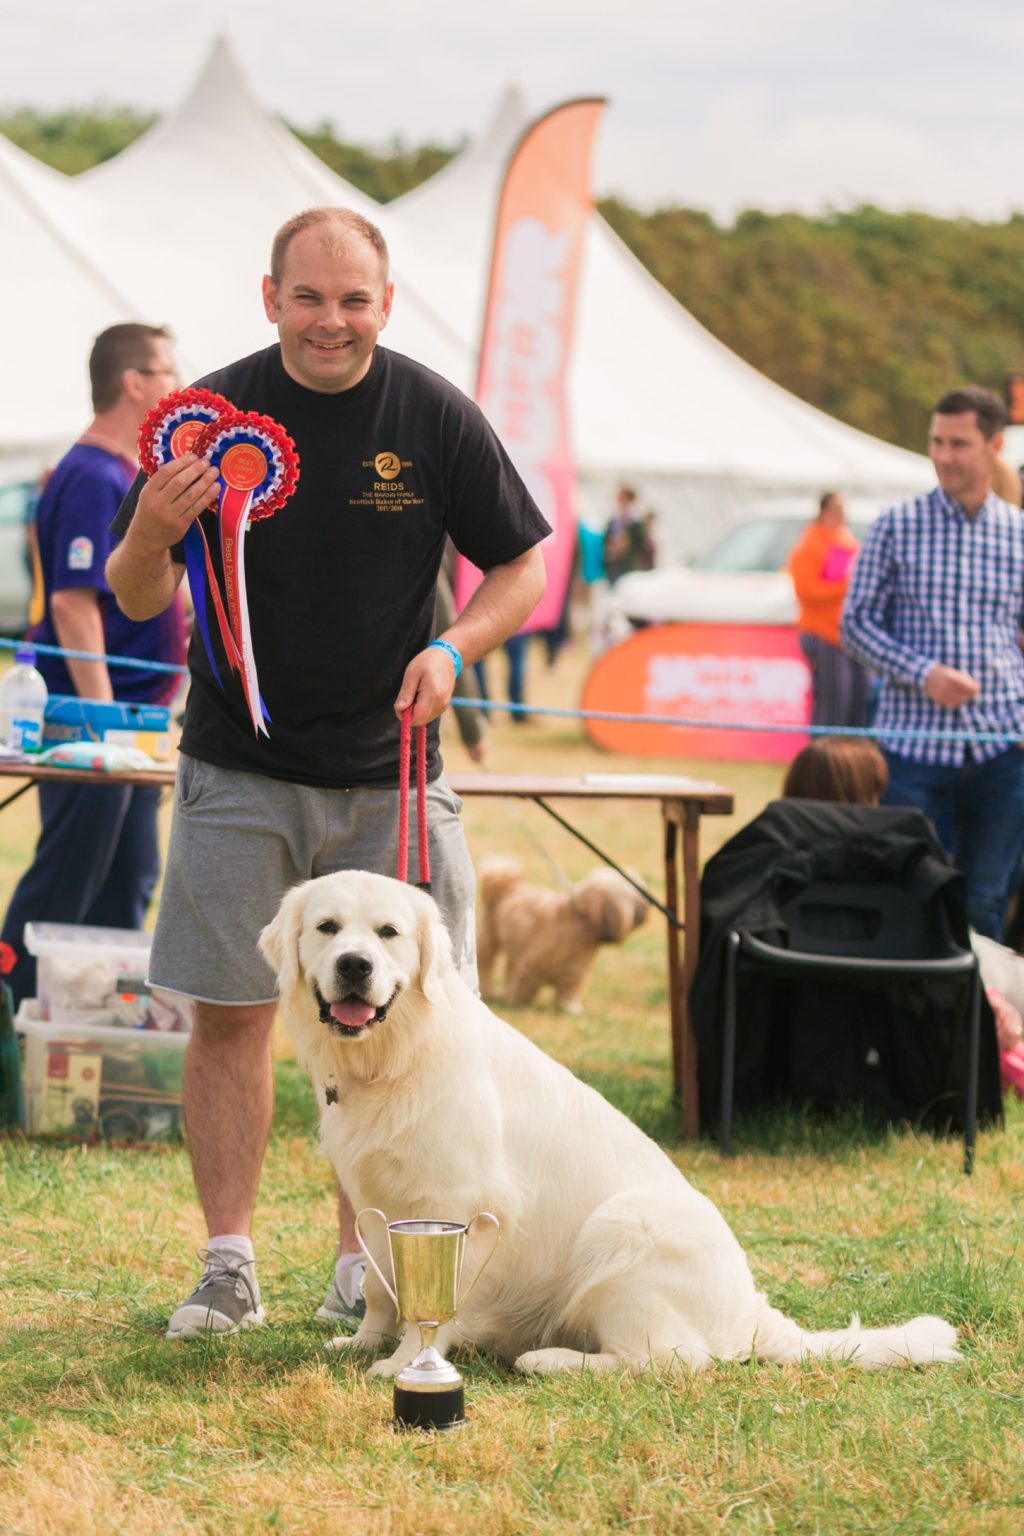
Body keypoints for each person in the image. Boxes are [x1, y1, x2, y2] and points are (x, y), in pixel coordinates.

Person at [105, 207, 549, 1339]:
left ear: (385, 306)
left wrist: (456, 650)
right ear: (270, 300)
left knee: (405, 1022)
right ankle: (228, 1262)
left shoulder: (435, 415)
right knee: (234, 1016)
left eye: (354, 300)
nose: (331, 321)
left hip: (393, 770)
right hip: (236, 771)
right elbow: (136, 593)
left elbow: (523, 565)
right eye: (308, 298)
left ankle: (368, 1264)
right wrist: (153, 532)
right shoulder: (202, 421)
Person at [0, 324, 187, 1007]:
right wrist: (105, 721)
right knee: (69, 878)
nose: (178, 385)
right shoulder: (89, 473)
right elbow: (75, 606)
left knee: (129, 876)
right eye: (167, 371)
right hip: (95, 722)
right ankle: (14, 1012)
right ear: (134, 382)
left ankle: (96, 1023)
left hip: (130, 724)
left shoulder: (125, 471)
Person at [841, 386, 1024, 940]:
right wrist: (923, 674)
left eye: (959, 444)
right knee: (910, 896)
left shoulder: (1018, 533)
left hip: (1002, 750)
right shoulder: (896, 526)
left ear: (993, 446)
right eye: (936, 442)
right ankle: (914, 1019)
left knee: (988, 903)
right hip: (914, 749)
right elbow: (855, 624)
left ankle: (979, 1024)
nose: (944, 456)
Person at [783, 735, 1024, 1098]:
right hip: (957, 970)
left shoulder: (778, 851)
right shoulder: (893, 856)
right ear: (864, 795)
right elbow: (950, 941)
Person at [787, 491, 872, 729]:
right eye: (836, 509)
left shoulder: (845, 540)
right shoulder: (810, 545)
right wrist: (845, 586)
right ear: (824, 512)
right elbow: (807, 591)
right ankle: (824, 761)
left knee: (858, 701)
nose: (842, 515)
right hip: (821, 634)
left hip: (847, 634)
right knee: (833, 706)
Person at [602, 484, 648, 586]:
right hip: (614, 566)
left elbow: (642, 546)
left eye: (623, 498)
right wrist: (611, 547)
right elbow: (605, 541)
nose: (621, 501)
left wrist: (627, 544)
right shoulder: (612, 521)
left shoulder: (636, 522)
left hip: (629, 567)